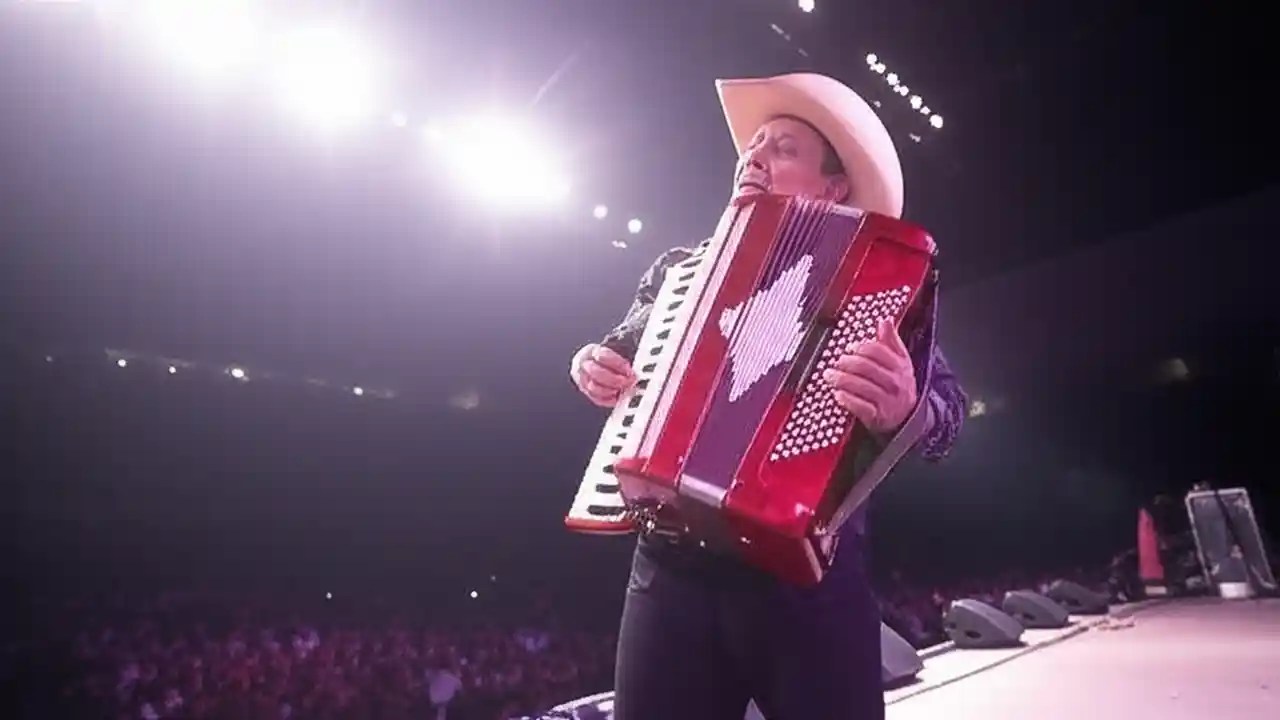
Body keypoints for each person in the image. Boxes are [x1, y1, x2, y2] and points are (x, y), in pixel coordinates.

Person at [567, 72, 968, 720]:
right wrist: (596, 364)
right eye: (751, 146)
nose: (753, 156)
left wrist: (907, 411)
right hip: (672, 564)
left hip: (805, 574)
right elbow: (623, 345)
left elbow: (949, 414)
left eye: (782, 147)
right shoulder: (681, 271)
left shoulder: (876, 280)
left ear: (832, 187)